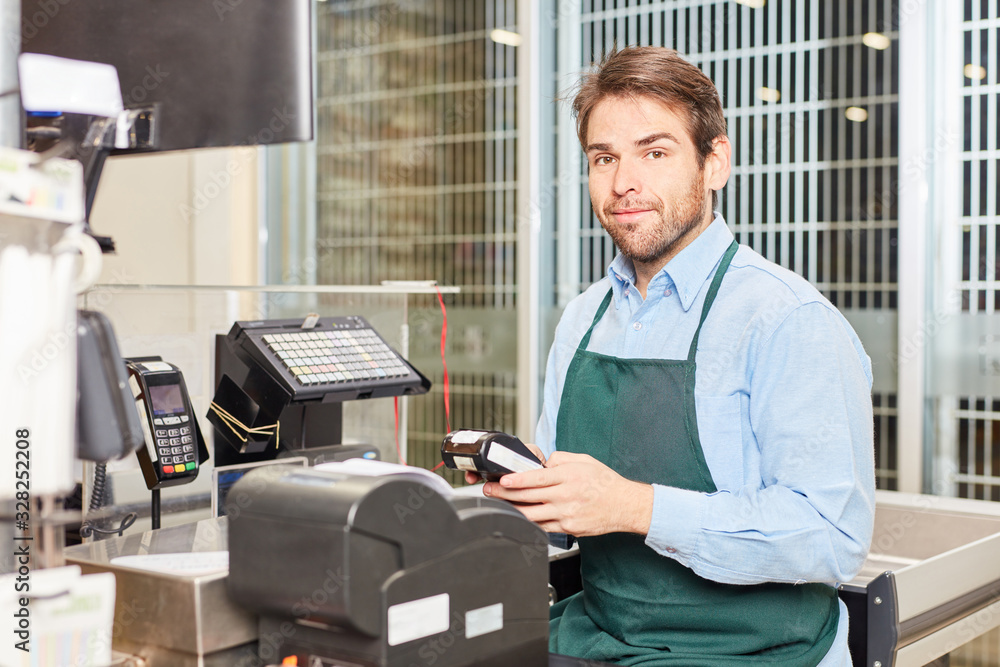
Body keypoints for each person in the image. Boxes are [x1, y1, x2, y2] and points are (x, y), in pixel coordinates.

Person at [470, 46, 875, 665]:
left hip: (756, 651)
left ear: (716, 163)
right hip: (601, 638)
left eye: (654, 152)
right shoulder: (582, 319)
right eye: (604, 158)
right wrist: (524, 496)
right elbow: (564, 519)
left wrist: (633, 507)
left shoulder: (787, 320)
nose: (623, 182)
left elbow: (829, 536)